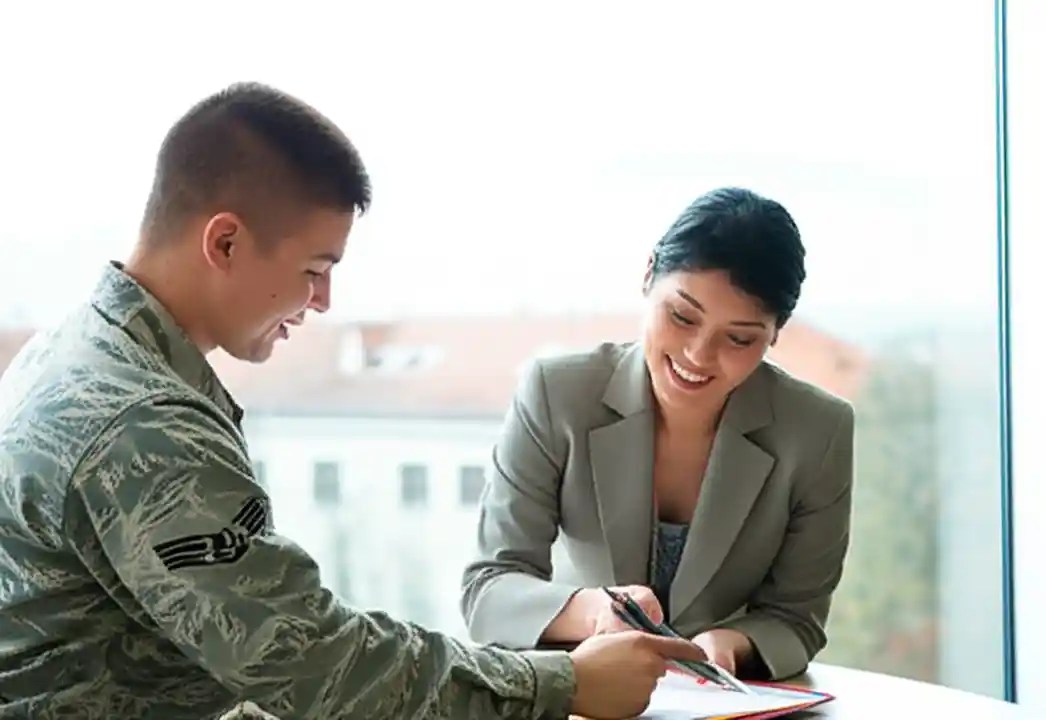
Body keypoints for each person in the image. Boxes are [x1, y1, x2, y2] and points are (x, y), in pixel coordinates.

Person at [0, 82, 704, 720]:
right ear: (224, 241)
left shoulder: (74, 350)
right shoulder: (141, 422)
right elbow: (310, 660)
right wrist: (564, 686)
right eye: (314, 270)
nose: (323, 302)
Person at [460, 187, 856, 682]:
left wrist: (729, 646)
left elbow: (797, 619)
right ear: (648, 274)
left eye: (739, 338)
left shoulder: (819, 431)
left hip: (721, 702)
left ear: (776, 332)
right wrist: (596, 611)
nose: (698, 355)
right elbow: (490, 588)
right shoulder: (556, 393)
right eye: (682, 316)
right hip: (580, 693)